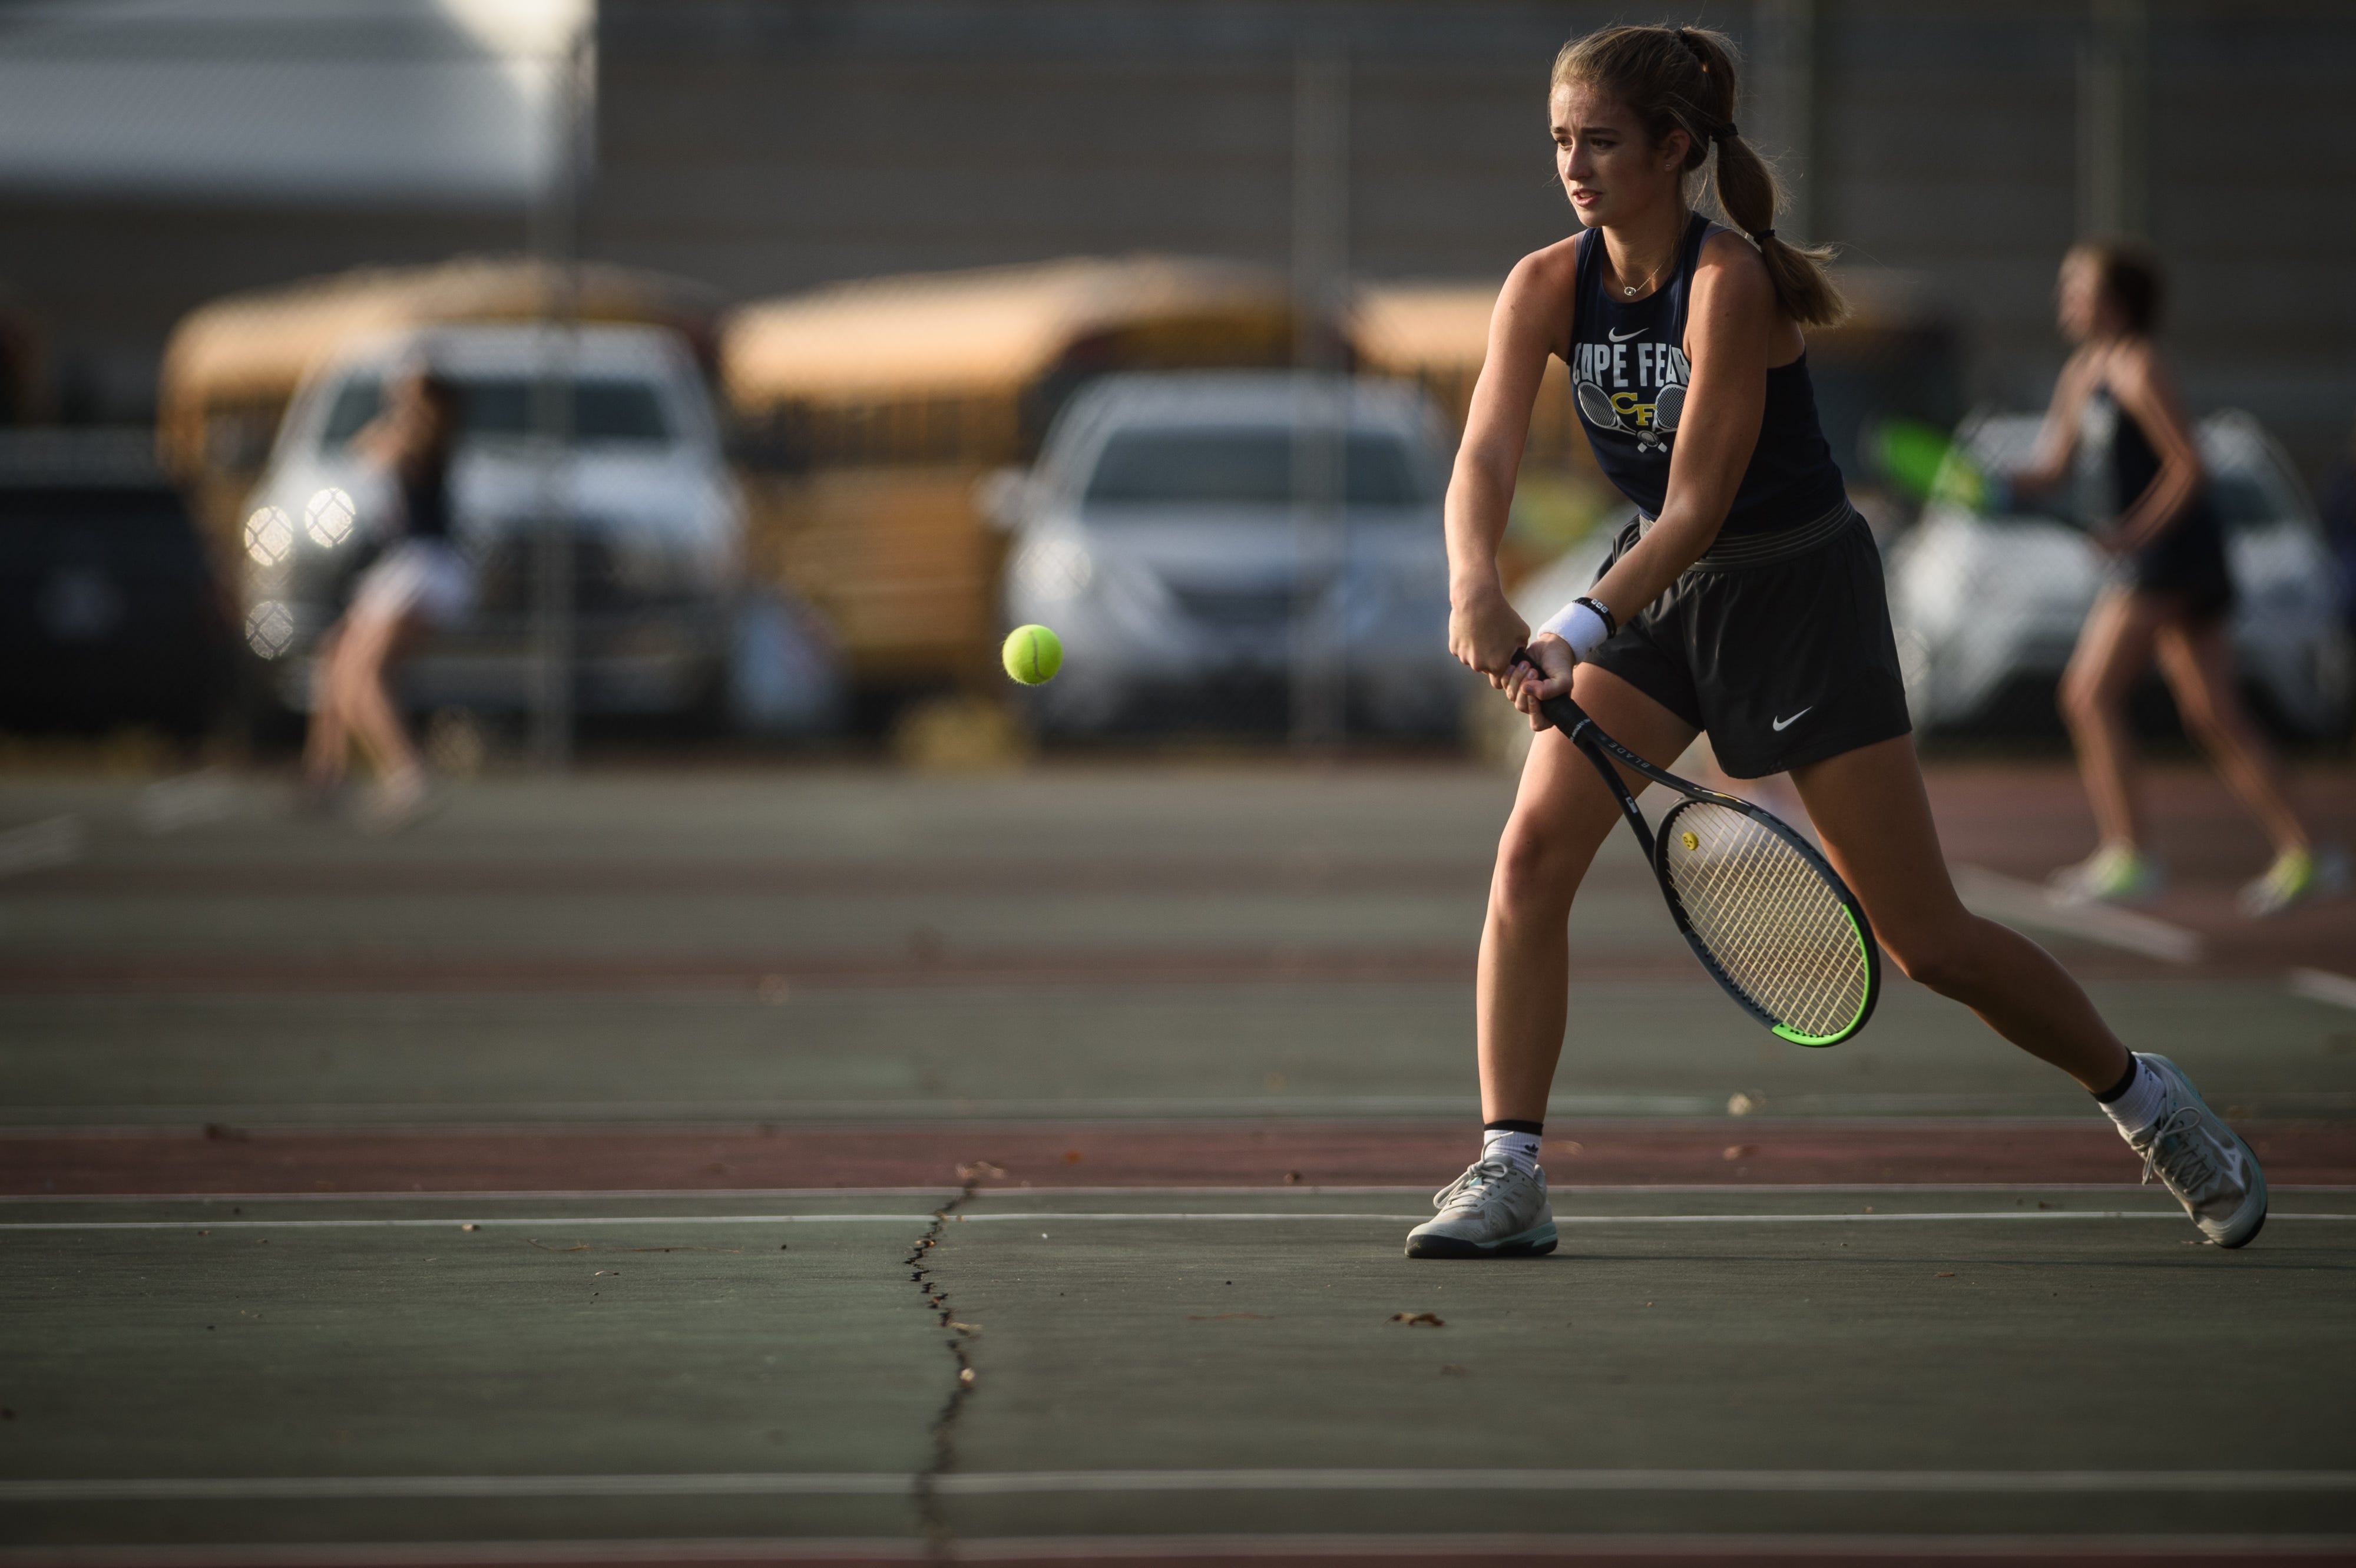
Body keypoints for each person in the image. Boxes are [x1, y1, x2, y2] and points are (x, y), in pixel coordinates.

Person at [1412, 23, 2266, 1259]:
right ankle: (1509, 1169)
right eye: (1558, 141)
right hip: (1659, 594)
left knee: (1927, 942)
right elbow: (1484, 451)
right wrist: (1468, 590)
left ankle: (2144, 1098)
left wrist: (1571, 623)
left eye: (1598, 141)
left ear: (1673, 147)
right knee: (1528, 859)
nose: (1572, 165)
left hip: (1797, 597)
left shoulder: (1728, 284)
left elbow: (1703, 503)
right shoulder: (1543, 283)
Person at [2007, 242, 2340, 915]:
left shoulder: (2138, 365)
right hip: (2155, 559)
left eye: (2077, 285)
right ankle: (2308, 851)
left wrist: (2132, 534)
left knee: (2087, 694)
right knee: (2211, 713)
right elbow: (2052, 469)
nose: (2063, 298)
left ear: (2116, 301)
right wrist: (1991, 484)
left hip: (2171, 560)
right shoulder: (2084, 371)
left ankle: (2130, 853)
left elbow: (2189, 467)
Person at [301, 362, 473, 831]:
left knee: (363, 677)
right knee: (335, 655)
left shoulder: (426, 434)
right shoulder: (414, 432)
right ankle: (325, 775)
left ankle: (407, 774)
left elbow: (374, 450)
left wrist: (400, 416)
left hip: (422, 570)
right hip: (399, 568)